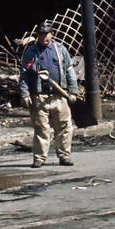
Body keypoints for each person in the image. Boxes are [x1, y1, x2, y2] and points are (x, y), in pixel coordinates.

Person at [19, 21, 79, 168]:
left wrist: (73, 90)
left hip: (60, 95)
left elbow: (69, 70)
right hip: (40, 97)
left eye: (46, 34)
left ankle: (65, 156)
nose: (44, 37)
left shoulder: (60, 49)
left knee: (64, 127)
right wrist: (25, 94)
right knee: (41, 129)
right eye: (41, 34)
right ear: (37, 35)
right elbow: (24, 74)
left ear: (52, 34)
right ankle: (39, 158)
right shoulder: (31, 52)